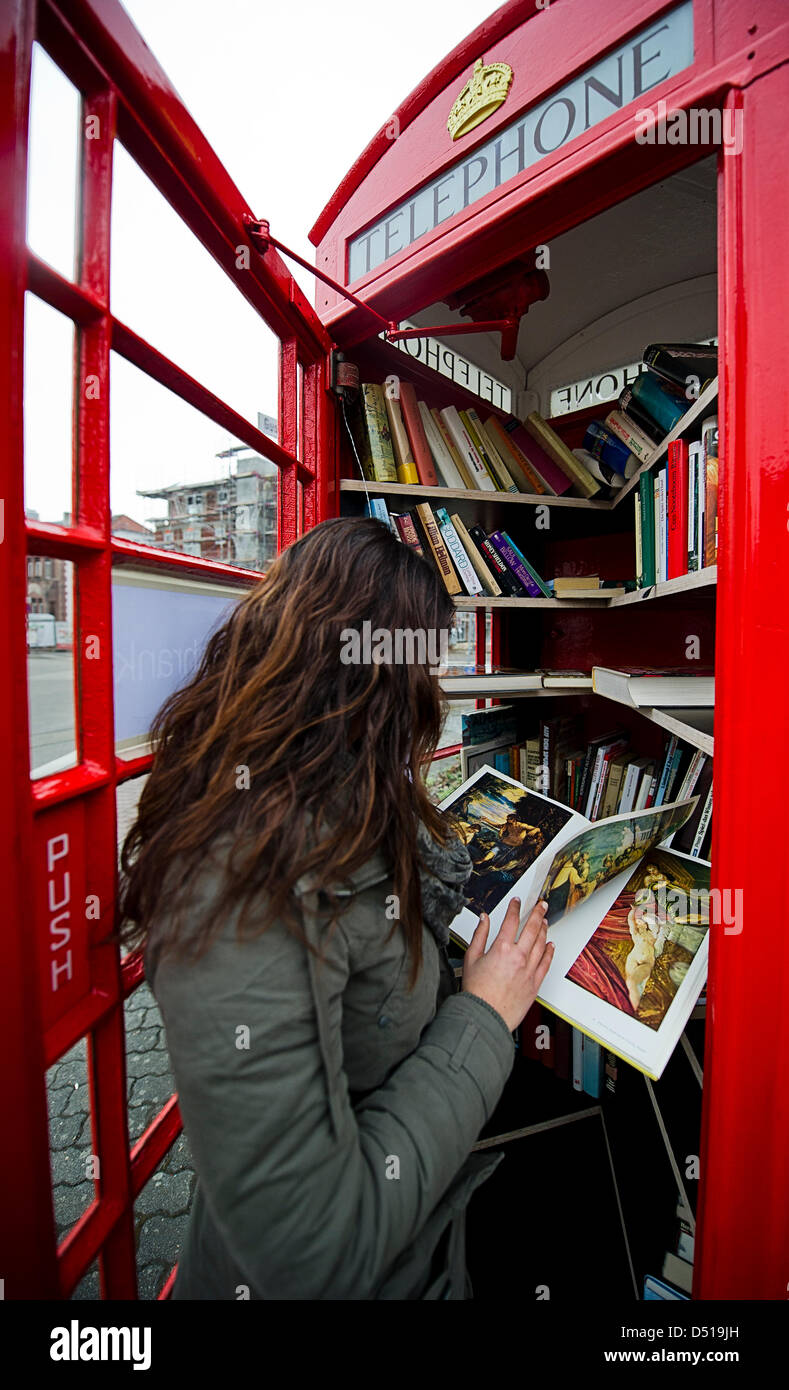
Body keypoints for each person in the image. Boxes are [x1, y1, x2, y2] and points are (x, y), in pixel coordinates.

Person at [118, 517, 553, 1301]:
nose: (436, 689)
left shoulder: (340, 796)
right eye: (428, 663)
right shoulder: (239, 876)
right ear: (371, 677)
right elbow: (310, 1251)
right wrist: (484, 1014)